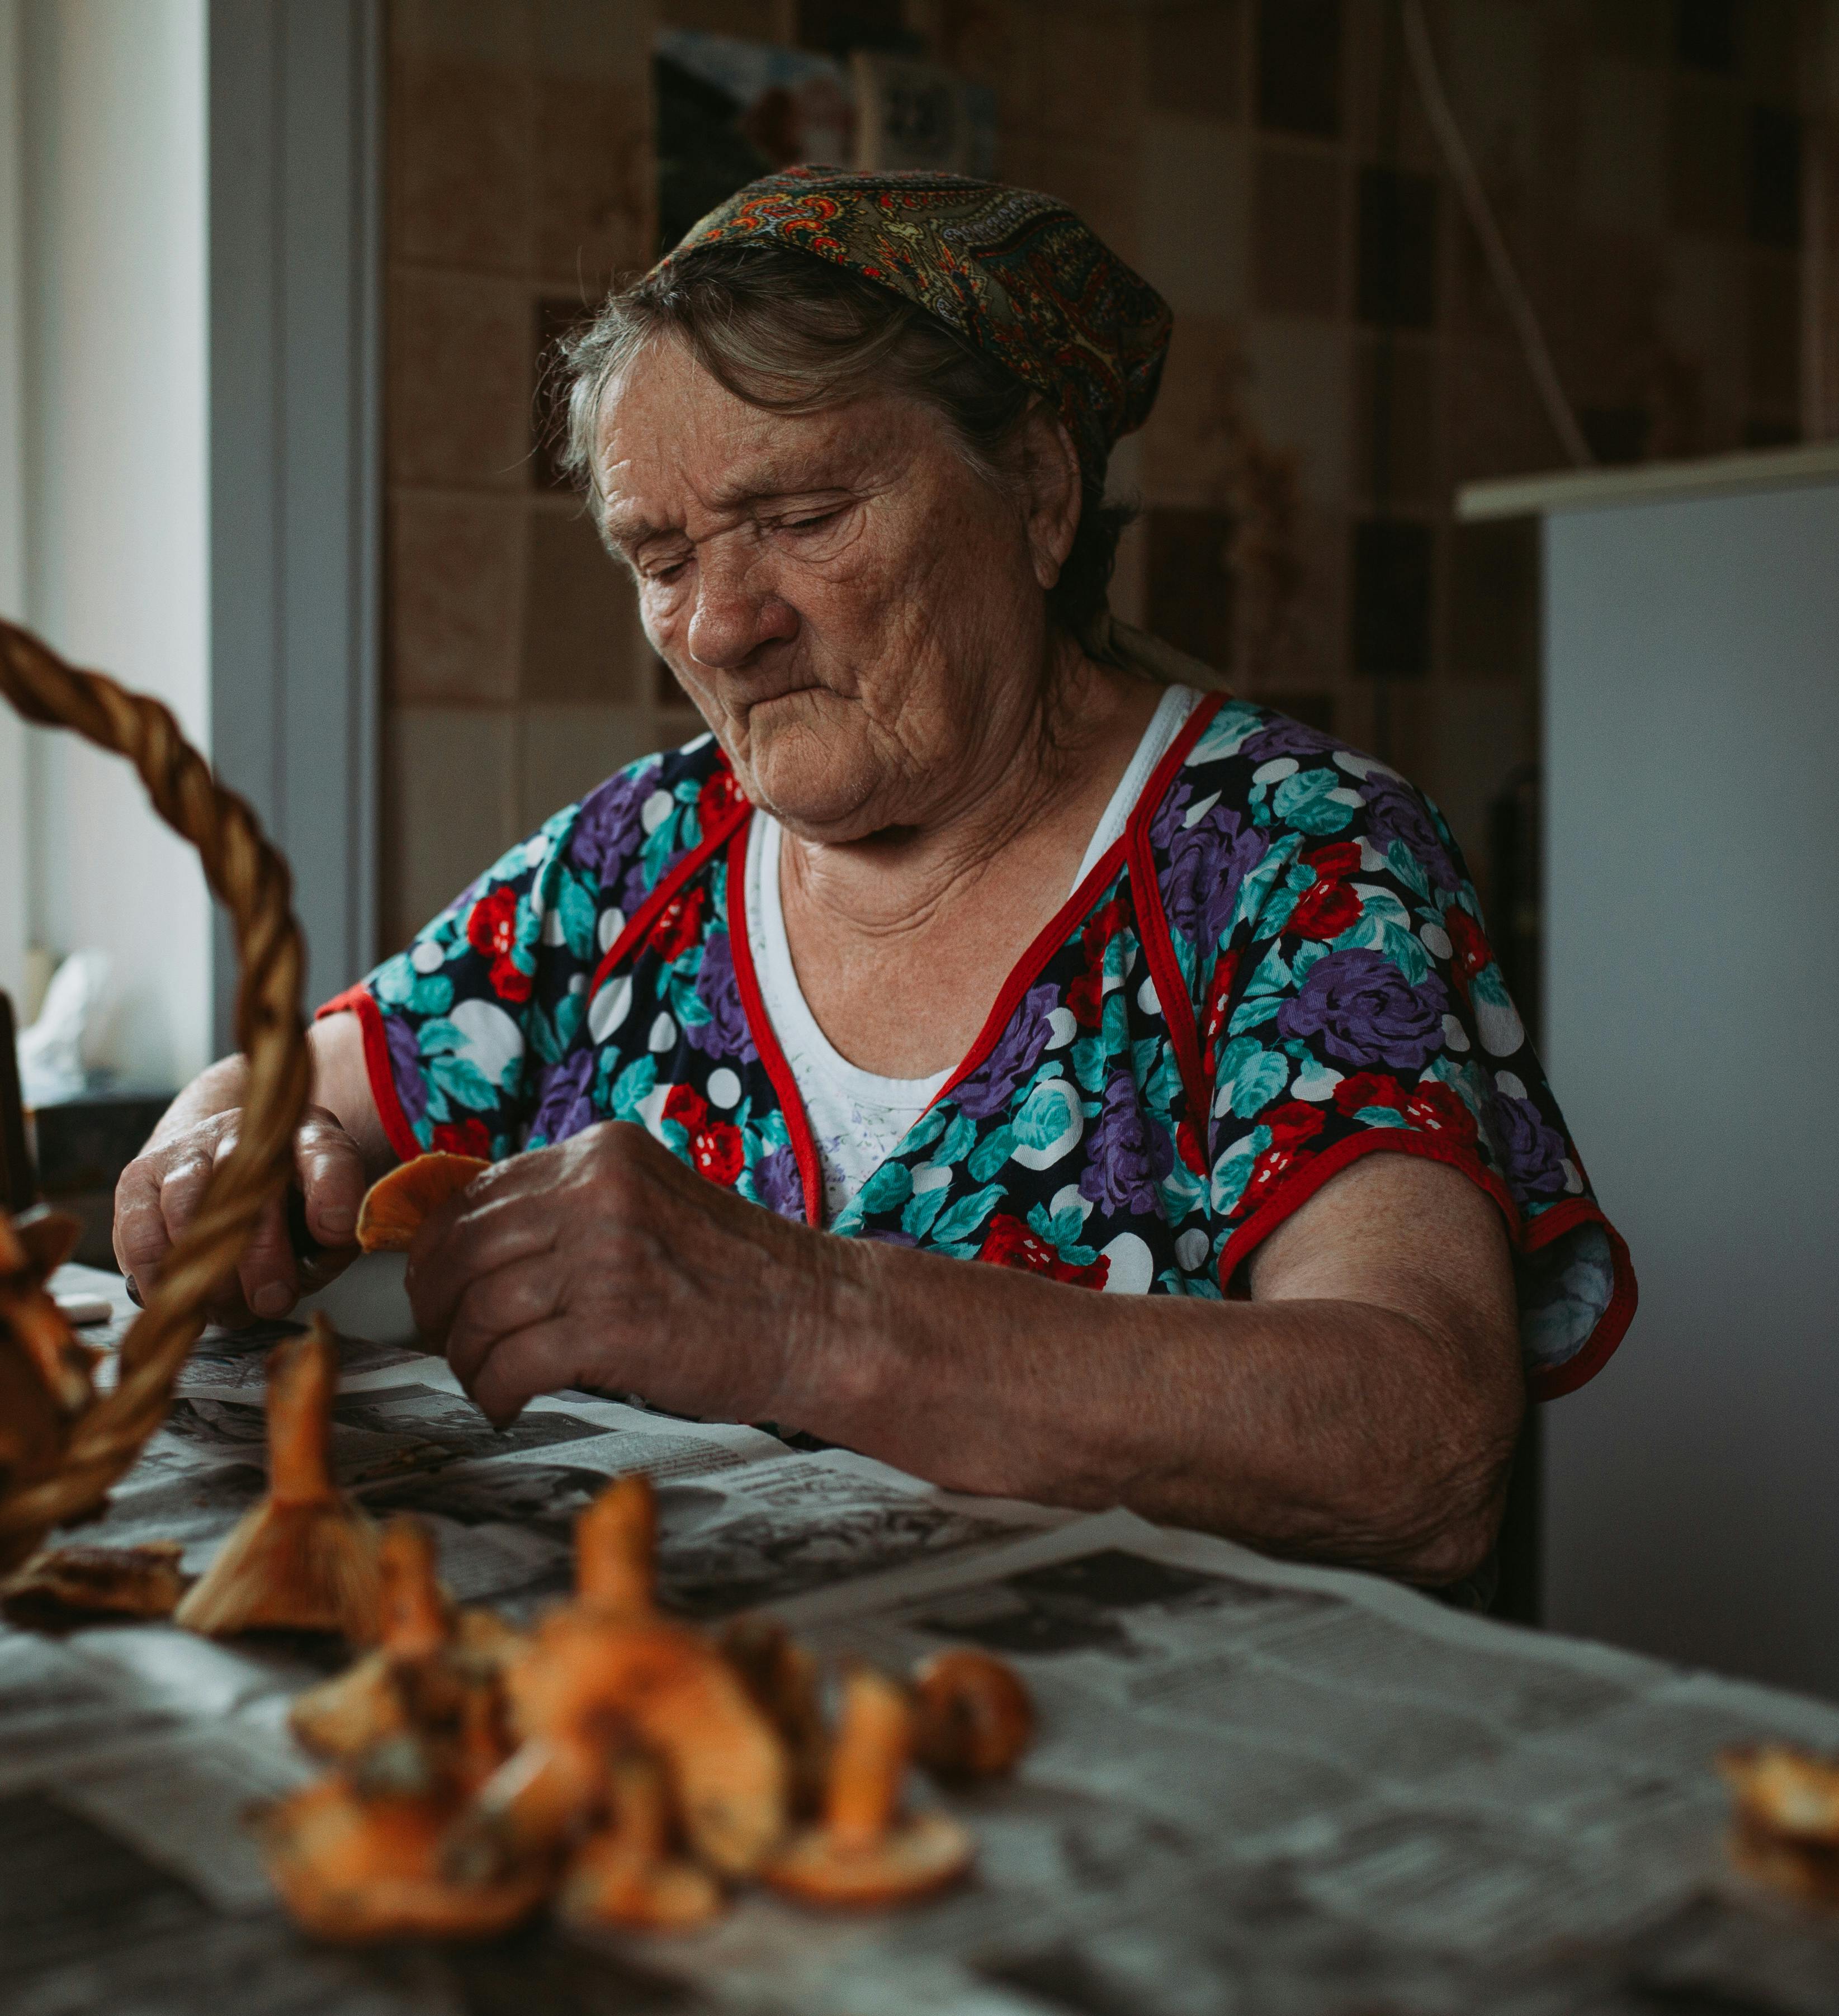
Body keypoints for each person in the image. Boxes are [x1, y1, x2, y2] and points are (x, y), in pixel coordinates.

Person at [115, 168, 1633, 1586]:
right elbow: (292, 1090)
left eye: (800, 519)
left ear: (1038, 492)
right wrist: (220, 1163)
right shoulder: (638, 854)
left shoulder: (1292, 857)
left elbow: (1426, 1437)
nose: (718, 628)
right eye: (659, 555)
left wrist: (801, 1315)